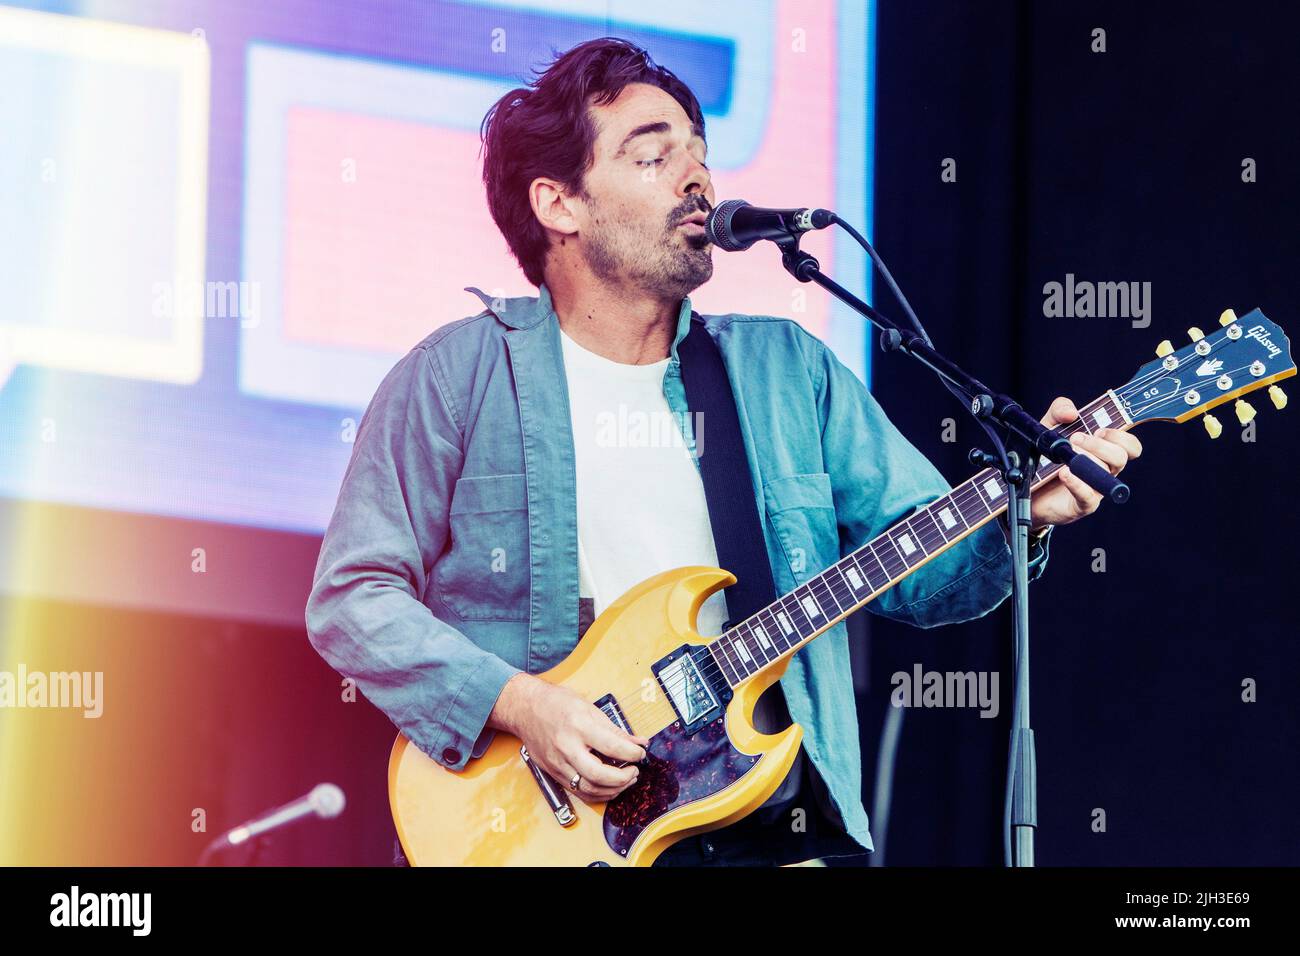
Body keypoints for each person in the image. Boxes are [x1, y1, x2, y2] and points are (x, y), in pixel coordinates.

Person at [305, 38, 1141, 867]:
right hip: (543, 830)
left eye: (700, 154)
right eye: (653, 156)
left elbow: (931, 579)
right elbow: (351, 597)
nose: (697, 177)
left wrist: (1021, 515)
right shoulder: (457, 377)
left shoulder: (789, 372)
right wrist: (525, 707)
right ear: (559, 204)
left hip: (771, 828)